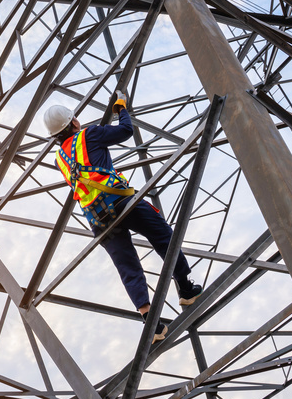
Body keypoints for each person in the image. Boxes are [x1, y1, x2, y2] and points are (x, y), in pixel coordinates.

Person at [45, 98, 202, 343]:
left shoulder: (59, 160)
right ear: (74, 121)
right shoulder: (90, 134)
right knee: (163, 236)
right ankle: (184, 286)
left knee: (127, 267)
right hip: (119, 201)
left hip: (97, 219)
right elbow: (126, 131)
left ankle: (151, 322)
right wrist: (121, 110)